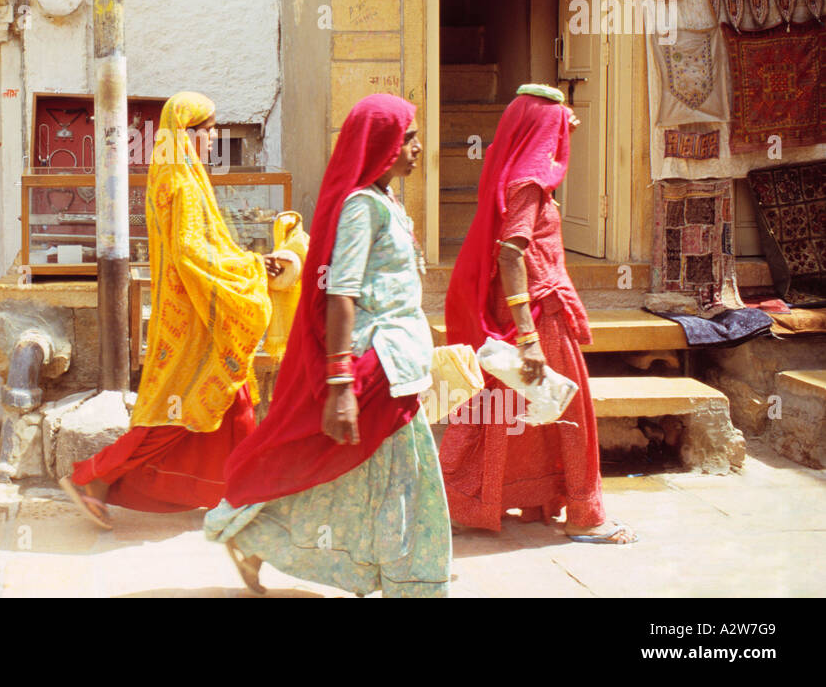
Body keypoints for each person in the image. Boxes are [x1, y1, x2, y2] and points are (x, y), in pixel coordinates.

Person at [205, 94, 451, 598]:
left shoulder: (387, 202)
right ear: (382, 145)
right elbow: (342, 293)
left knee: (356, 476)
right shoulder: (362, 207)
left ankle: (258, 540)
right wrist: (341, 384)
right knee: (403, 477)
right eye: (408, 139)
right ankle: (408, 580)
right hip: (375, 365)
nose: (418, 148)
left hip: (399, 363)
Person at [60, 92, 278, 527]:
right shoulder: (179, 184)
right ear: (185, 132)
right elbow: (191, 254)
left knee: (229, 408)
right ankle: (92, 477)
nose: (214, 136)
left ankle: (245, 497)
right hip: (197, 321)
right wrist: (252, 268)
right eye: (207, 128)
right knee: (174, 417)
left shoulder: (178, 175)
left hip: (194, 316)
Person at [438, 85, 636, 544]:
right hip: (540, 318)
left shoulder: (514, 173)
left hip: (536, 312)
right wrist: (528, 337)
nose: (565, 138)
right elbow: (510, 253)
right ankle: (587, 518)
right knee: (570, 416)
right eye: (559, 130)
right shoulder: (529, 182)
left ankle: (463, 500)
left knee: (503, 412)